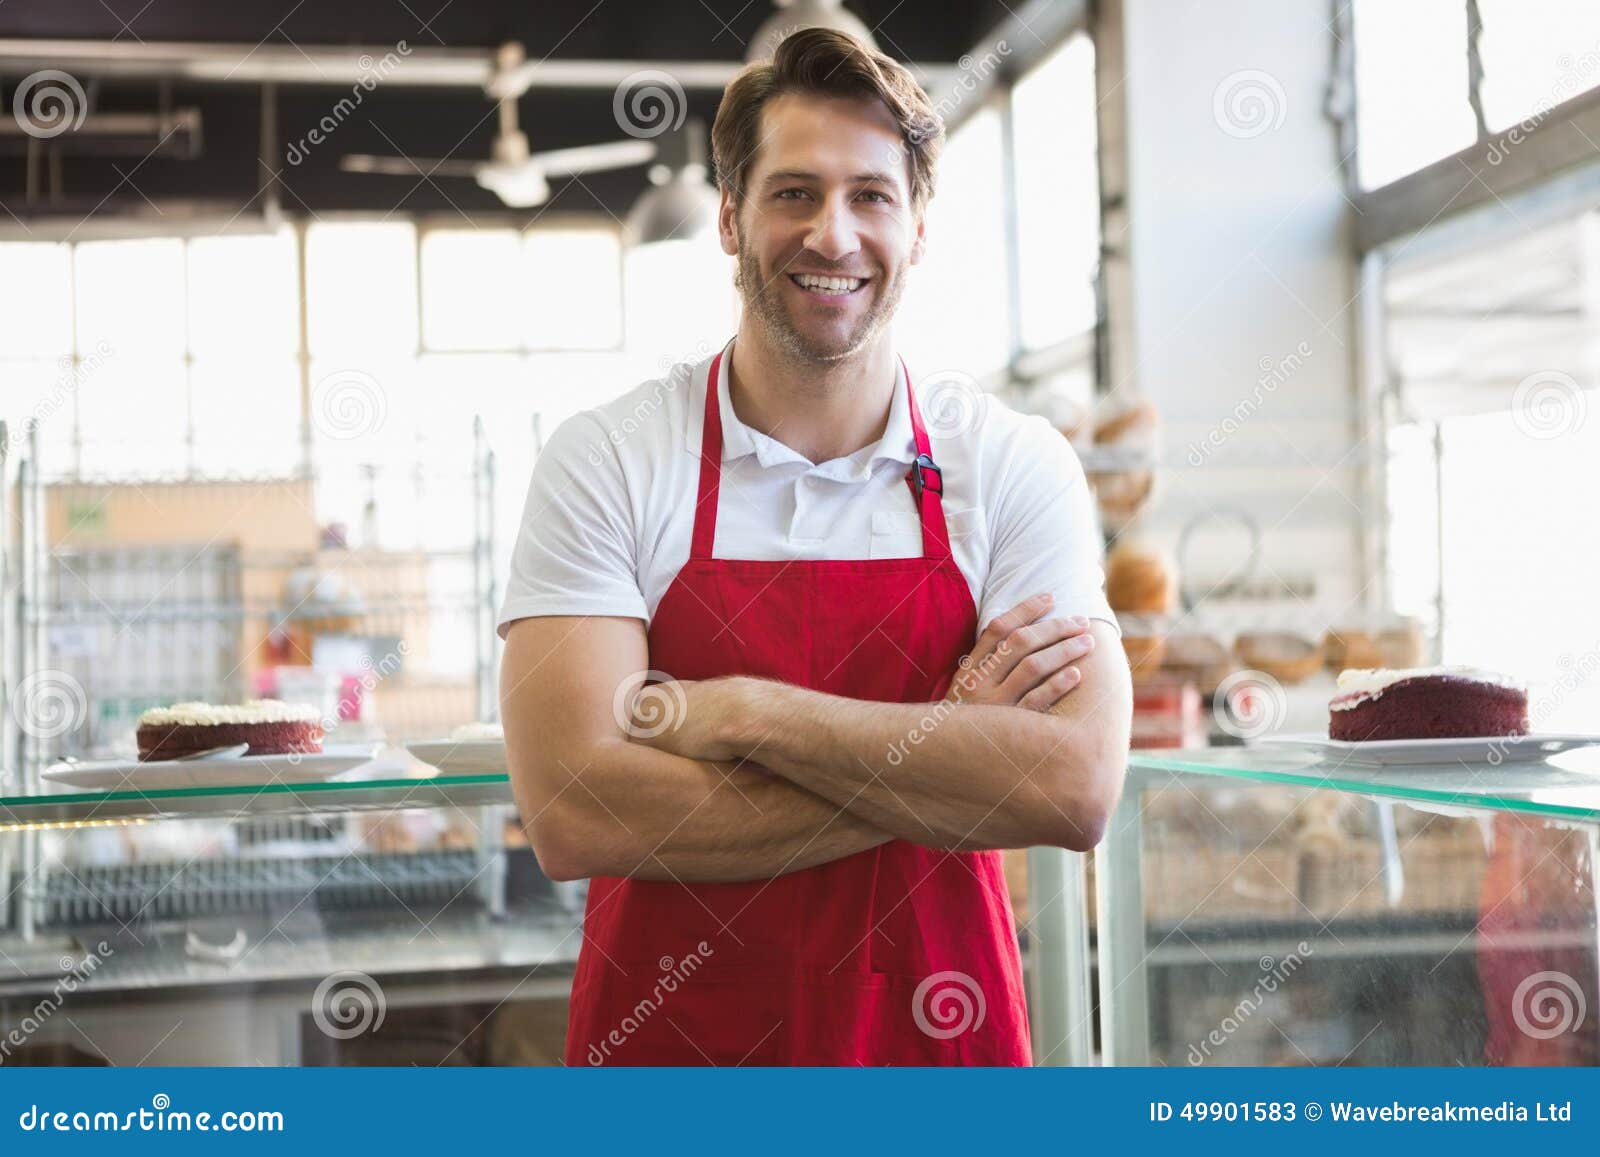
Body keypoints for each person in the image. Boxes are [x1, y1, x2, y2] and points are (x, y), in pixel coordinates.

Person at [498, 27, 1131, 1066]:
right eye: (793, 192)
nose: (832, 234)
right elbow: (575, 809)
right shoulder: (611, 456)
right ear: (731, 218)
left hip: (939, 1048)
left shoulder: (1012, 464)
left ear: (918, 227)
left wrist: (743, 711)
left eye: (870, 196)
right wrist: (940, 747)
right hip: (671, 1055)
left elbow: (1069, 787)